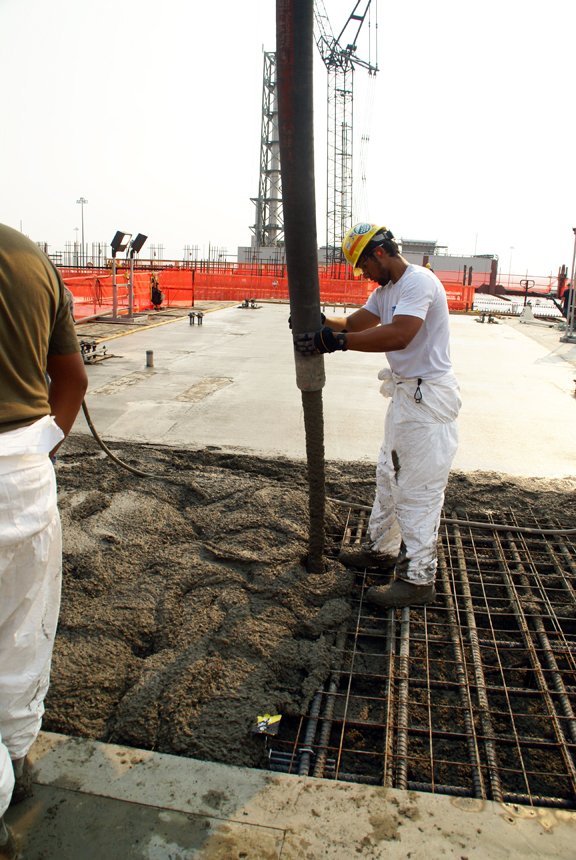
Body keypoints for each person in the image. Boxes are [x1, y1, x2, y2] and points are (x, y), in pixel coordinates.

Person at [293, 223, 461, 609]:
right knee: (389, 475)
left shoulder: (419, 282)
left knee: (417, 491)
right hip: (407, 396)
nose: (363, 274)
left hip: (428, 399)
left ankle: (418, 579)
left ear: (379, 253)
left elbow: (400, 334)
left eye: (362, 266)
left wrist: (338, 344)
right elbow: (352, 325)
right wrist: (319, 323)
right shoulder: (386, 290)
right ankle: (381, 551)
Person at [0, 224, 88, 856]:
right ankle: (13, 766)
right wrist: (37, 450)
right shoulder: (27, 255)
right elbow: (73, 382)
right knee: (22, 631)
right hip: (22, 478)